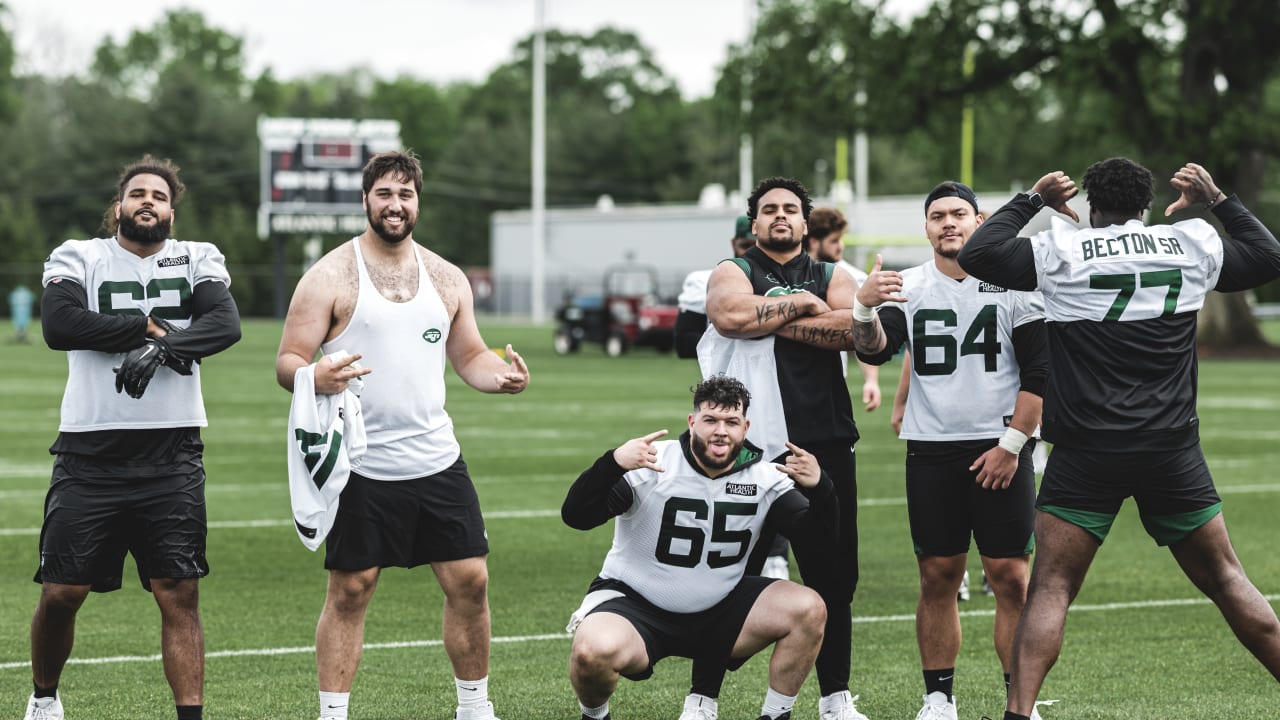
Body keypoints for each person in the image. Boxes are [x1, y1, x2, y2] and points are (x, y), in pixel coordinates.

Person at [954, 158, 1280, 720]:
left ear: (1091, 206)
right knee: (1228, 578)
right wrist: (1217, 199)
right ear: (1147, 206)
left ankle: (1018, 715)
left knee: (1052, 587)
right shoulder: (1190, 244)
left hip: (1086, 451)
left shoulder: (1064, 249)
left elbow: (977, 253)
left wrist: (1032, 199)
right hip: (1170, 448)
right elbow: (1270, 256)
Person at [275, 150, 530, 720]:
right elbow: (288, 359)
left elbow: (468, 357)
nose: (396, 205)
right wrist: (315, 374)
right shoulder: (330, 275)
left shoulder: (446, 277)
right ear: (366, 200)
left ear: (418, 202)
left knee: (471, 581)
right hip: (363, 462)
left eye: (406, 194)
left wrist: (503, 377)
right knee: (351, 589)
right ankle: (333, 713)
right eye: (385, 194)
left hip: (437, 458)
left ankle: (474, 708)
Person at [25, 155, 242, 720]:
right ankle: (44, 699)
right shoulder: (81, 255)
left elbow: (224, 324)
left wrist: (164, 349)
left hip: (171, 451)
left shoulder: (198, 258)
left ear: (172, 210)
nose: (148, 201)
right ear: (118, 207)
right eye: (137, 193)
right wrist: (143, 327)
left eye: (160, 196)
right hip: (90, 448)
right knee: (61, 592)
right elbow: (59, 324)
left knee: (179, 591)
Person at [853, 181, 1048, 720]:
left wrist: (1012, 446)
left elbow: (1040, 371)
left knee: (1011, 575)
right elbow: (879, 347)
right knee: (937, 574)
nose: (948, 223)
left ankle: (1020, 700)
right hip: (933, 449)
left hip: (1000, 445)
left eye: (958, 213)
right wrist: (863, 309)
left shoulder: (1015, 285)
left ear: (979, 221)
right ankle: (939, 699)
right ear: (926, 227)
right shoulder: (909, 284)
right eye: (937, 215)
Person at [694, 177, 869, 720]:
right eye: (768, 210)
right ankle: (702, 700)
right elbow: (729, 316)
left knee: (833, 575)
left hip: (824, 441)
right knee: (724, 574)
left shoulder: (832, 273)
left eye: (790, 209)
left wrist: (775, 316)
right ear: (754, 221)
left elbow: (855, 331)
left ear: (804, 219)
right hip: (747, 446)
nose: (779, 217)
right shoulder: (733, 270)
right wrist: (803, 307)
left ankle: (835, 699)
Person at [562, 375, 836, 720]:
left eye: (731, 422)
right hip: (637, 605)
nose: (721, 431)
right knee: (591, 651)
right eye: (711, 420)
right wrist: (612, 462)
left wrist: (822, 489)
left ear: (745, 427)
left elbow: (823, 546)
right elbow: (576, 516)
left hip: (720, 609)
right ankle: (595, 716)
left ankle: (776, 715)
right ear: (692, 422)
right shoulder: (654, 463)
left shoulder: (765, 478)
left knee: (809, 608)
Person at [805, 207, 882, 413]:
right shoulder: (789, 273)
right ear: (813, 241)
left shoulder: (852, 277)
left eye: (841, 239)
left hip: (830, 380)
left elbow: (862, 333)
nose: (840, 246)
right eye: (833, 240)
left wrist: (871, 380)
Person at [674, 216, 758, 359]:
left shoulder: (782, 283)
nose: (749, 253)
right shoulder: (705, 282)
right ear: (733, 244)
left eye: (756, 246)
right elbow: (684, 342)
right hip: (723, 375)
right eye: (745, 245)